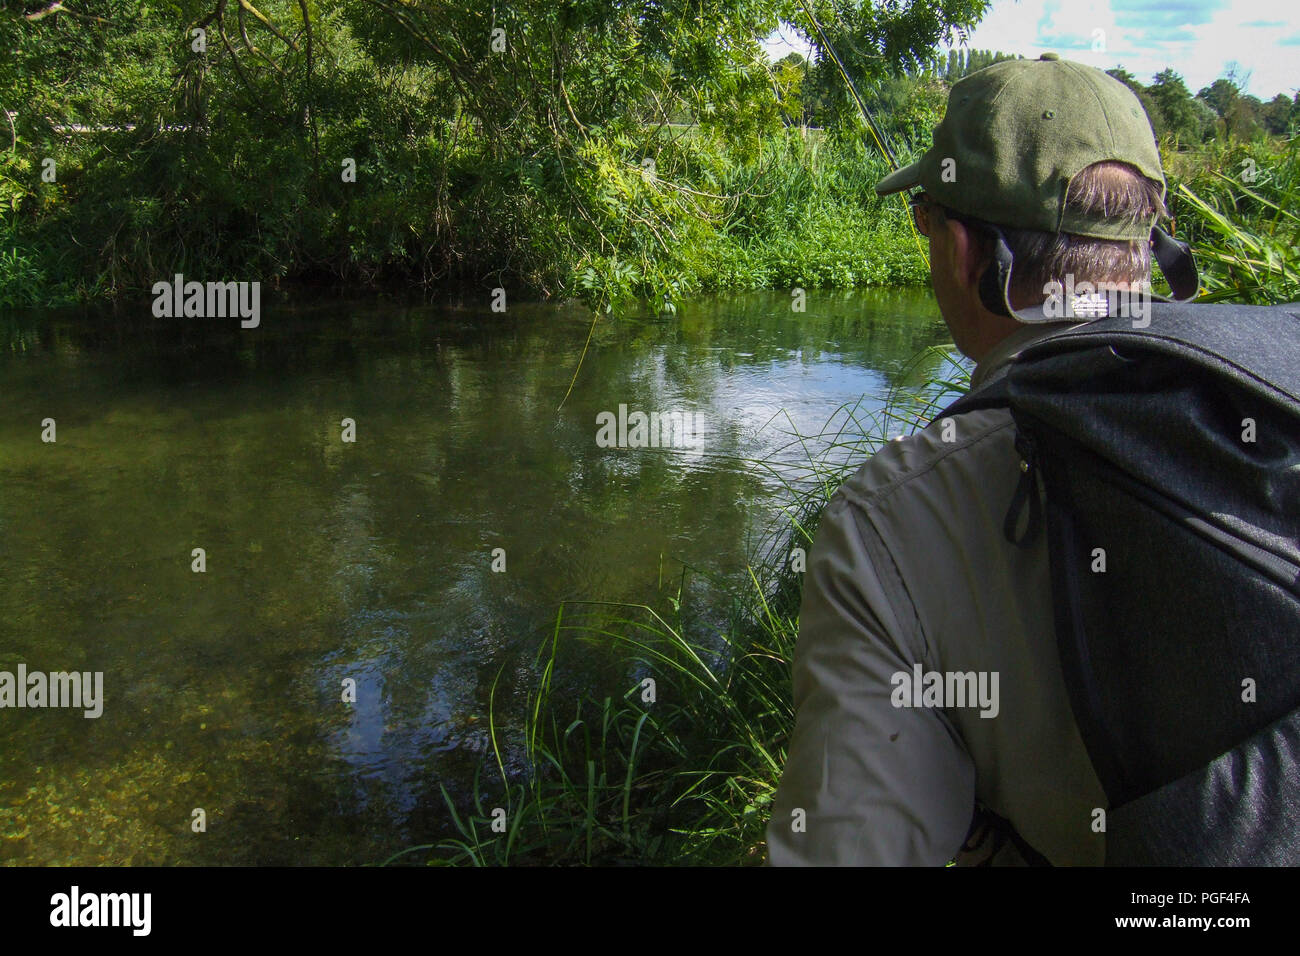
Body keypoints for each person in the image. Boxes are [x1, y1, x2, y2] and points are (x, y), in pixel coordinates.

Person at [766, 53, 1179, 866]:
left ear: (962, 251)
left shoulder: (885, 526)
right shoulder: (1274, 406)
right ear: (1150, 252)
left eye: (925, 221)